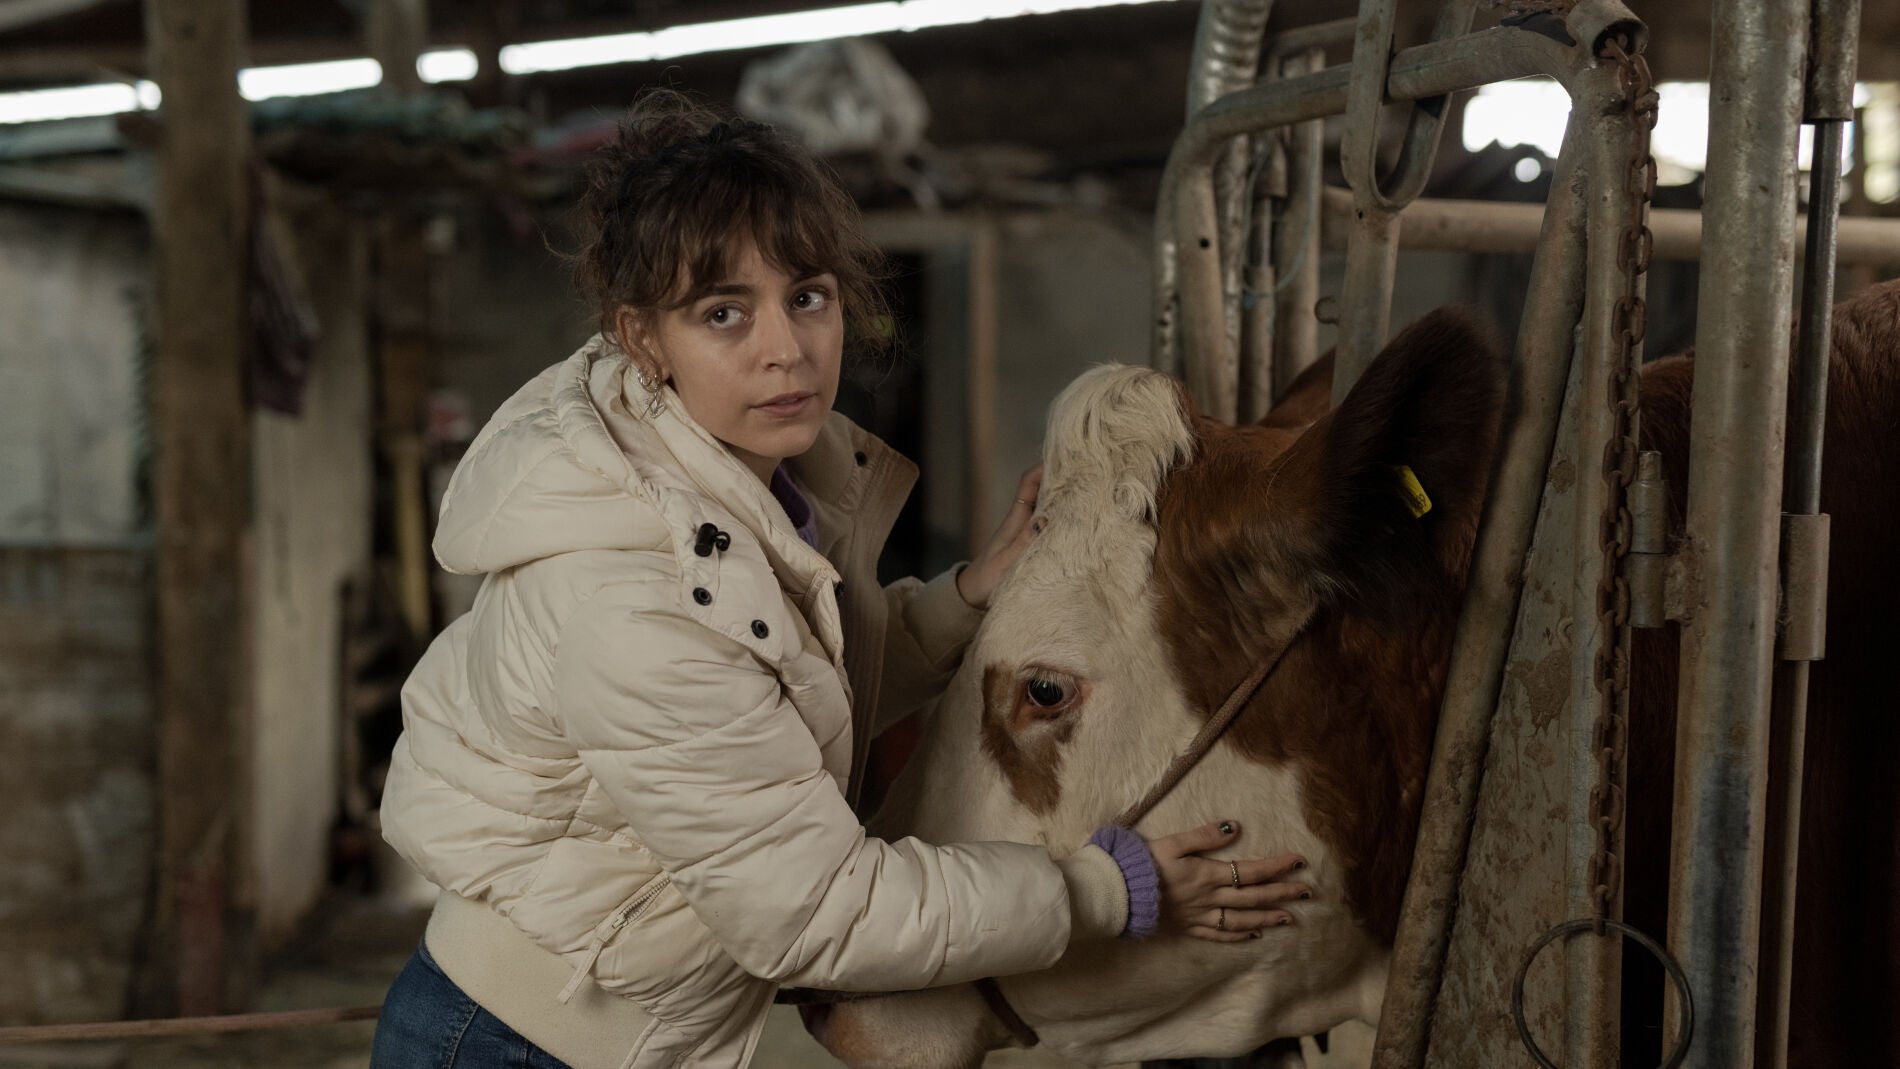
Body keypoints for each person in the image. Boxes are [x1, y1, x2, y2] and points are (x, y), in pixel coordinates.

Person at [369, 91, 1309, 1069]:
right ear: (642, 338)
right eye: (724, 312)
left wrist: (965, 600)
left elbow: (782, 684)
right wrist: (1103, 890)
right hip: (515, 1045)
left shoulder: (745, 480)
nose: (787, 349)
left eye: (807, 296)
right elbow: (818, 908)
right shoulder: (633, 596)